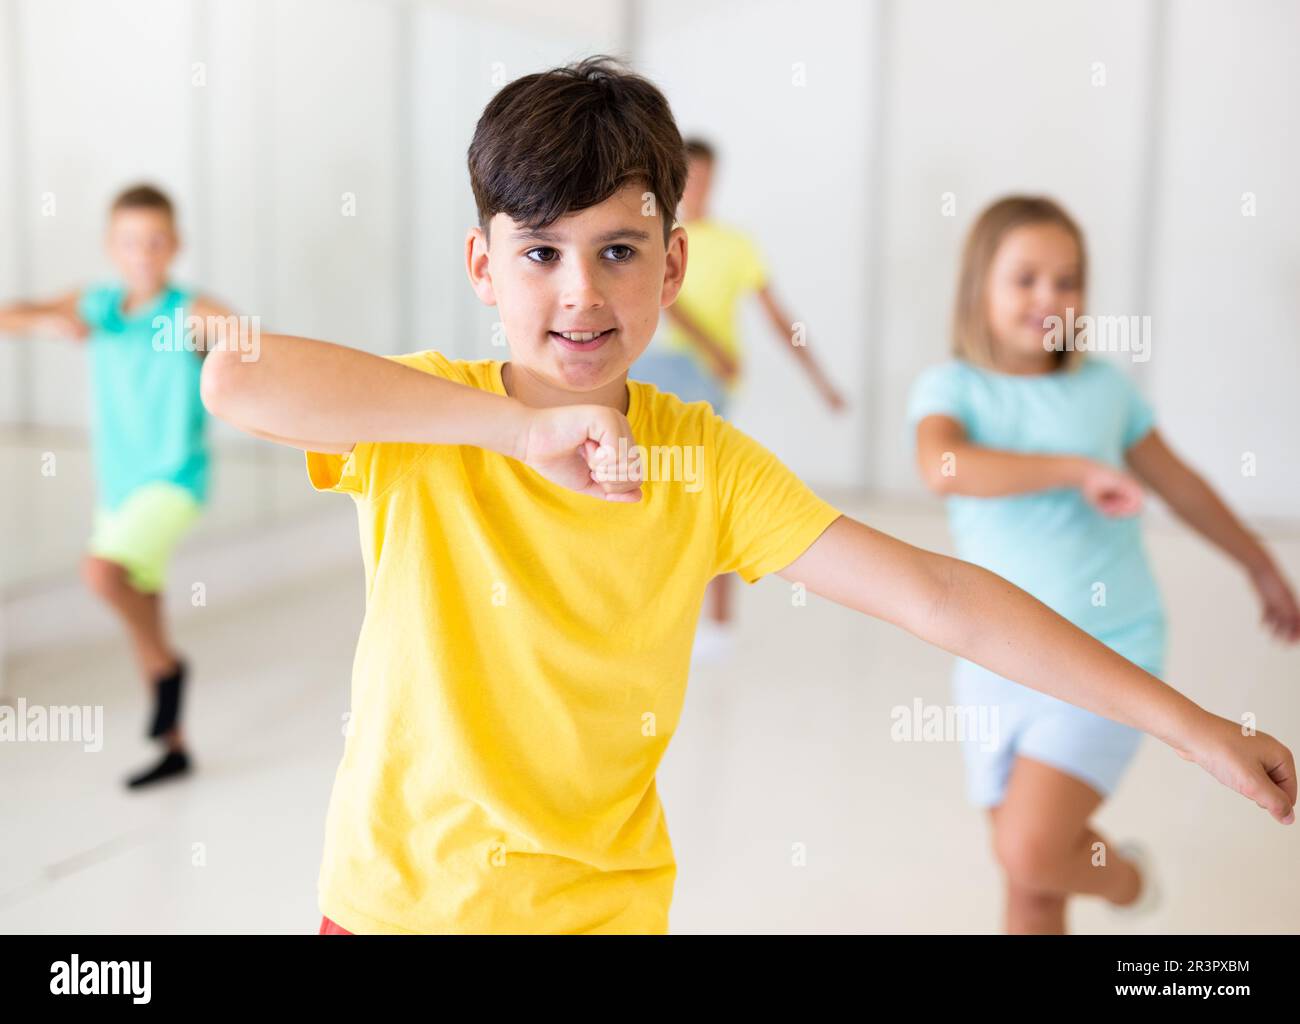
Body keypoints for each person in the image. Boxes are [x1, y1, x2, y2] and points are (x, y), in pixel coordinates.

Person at [200, 58, 1295, 936]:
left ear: (671, 268)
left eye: (617, 250)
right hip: (396, 909)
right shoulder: (423, 414)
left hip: (601, 913)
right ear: (484, 267)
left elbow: (938, 596)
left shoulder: (702, 460)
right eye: (540, 252)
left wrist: (1189, 726)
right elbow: (234, 372)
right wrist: (523, 430)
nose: (579, 291)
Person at [907, 195, 1300, 933]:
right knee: (1032, 884)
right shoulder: (952, 390)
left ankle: (1130, 884)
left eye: (1067, 280)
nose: (1049, 297)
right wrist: (1075, 470)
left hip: (1110, 649)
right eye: (1025, 278)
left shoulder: (1104, 390)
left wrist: (1259, 565)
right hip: (996, 660)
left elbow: (1181, 484)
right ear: (978, 288)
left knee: (1029, 849)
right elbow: (944, 465)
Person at [0, 184, 237, 788]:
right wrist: (55, 320)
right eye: (131, 242)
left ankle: (169, 667)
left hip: (174, 481)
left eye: (155, 241)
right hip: (120, 488)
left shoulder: (188, 311)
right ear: (112, 247)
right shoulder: (98, 306)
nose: (143, 253)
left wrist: (227, 350)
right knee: (143, 599)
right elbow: (11, 317)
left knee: (101, 572)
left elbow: (254, 346)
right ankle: (174, 744)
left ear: (174, 246)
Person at [634, 138, 845, 656]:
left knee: (704, 489)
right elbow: (665, 305)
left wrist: (822, 383)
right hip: (664, 368)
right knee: (652, 491)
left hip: (707, 383)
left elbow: (777, 316)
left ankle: (718, 625)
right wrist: (710, 347)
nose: (699, 188)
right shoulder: (651, 236)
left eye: (707, 178)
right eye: (690, 178)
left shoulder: (736, 243)